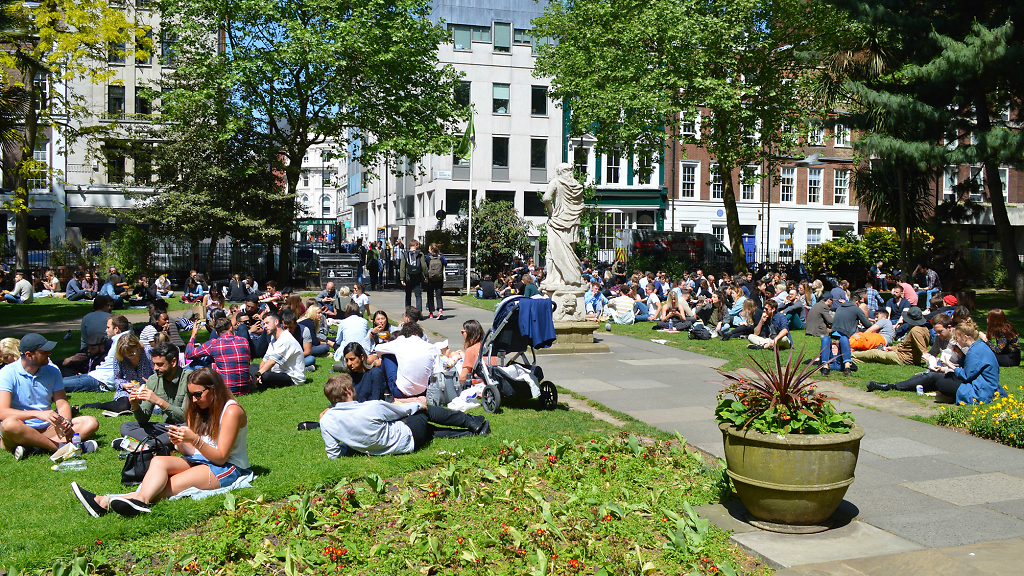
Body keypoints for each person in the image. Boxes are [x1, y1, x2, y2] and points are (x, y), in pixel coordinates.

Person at [72, 367, 250, 518]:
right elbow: (194, 452)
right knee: (158, 462)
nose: (194, 400)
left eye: (198, 395)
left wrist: (193, 439)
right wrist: (180, 443)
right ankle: (134, 500)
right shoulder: (201, 408)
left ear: (214, 389)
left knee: (171, 484)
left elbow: (220, 458)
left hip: (227, 467)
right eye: (191, 395)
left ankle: (106, 502)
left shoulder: (231, 412)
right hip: (202, 460)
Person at [318, 373, 489, 458]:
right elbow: (404, 411)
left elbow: (333, 454)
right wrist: (418, 404)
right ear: (348, 390)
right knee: (422, 411)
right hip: (407, 438)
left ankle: (470, 433)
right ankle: (472, 422)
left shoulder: (326, 420)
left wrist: (354, 445)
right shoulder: (371, 407)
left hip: (389, 447)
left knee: (428, 429)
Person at [0, 333, 99, 460]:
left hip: (48, 427)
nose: (49, 354)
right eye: (44, 351)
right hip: (21, 428)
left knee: (90, 422)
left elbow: (62, 402)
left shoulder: (52, 370)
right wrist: (37, 414)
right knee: (9, 424)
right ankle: (60, 448)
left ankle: (35, 447)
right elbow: (3, 412)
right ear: (29, 355)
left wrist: (66, 422)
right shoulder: (6, 373)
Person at [115, 342, 192, 448]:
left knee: (186, 427)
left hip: (187, 425)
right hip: (168, 428)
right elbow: (143, 419)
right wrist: (135, 404)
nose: (155, 368)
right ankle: (161, 443)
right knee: (126, 427)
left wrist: (159, 401)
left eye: (160, 364)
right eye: (154, 364)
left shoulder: (190, 379)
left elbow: (184, 417)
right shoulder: (153, 380)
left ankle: (147, 444)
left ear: (173, 362)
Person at [81, 335, 153, 415]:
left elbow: (159, 373)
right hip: (128, 391)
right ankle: (99, 405)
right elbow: (117, 379)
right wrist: (124, 384)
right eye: (126, 353)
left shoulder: (148, 353)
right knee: (123, 405)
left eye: (131, 351)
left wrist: (151, 383)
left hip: (149, 389)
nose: (129, 355)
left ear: (137, 346)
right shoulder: (119, 358)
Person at [540, 163, 585, 291]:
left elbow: (546, 198)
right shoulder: (576, 185)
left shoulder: (556, 182)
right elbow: (581, 205)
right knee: (570, 251)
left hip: (557, 221)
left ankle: (554, 279)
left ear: (559, 172)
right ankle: (570, 278)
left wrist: (551, 212)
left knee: (552, 251)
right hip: (573, 222)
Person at [63, 315, 132, 392]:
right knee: (60, 381)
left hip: (102, 381)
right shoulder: (119, 340)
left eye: (108, 327)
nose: (106, 330)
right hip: (97, 375)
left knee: (60, 384)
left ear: (116, 329)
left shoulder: (124, 342)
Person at [186, 317, 252, 395]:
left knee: (195, 363)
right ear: (231, 328)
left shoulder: (213, 344)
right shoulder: (244, 341)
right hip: (246, 387)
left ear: (216, 333)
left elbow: (188, 354)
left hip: (224, 389)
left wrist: (194, 335)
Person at [373, 322, 436, 399]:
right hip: (423, 391)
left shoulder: (400, 342)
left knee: (386, 354)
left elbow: (378, 348)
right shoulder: (431, 347)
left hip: (401, 392)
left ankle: (383, 388)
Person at [853, 306, 931, 366]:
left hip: (903, 358)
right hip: (906, 355)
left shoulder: (915, 331)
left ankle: (849, 355)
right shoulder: (924, 329)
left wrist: (930, 361)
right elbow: (908, 346)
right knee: (874, 358)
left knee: (874, 353)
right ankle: (851, 359)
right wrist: (891, 348)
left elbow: (923, 349)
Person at [820, 296, 872, 376]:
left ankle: (825, 367)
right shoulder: (857, 309)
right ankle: (847, 367)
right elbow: (867, 324)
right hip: (845, 335)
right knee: (844, 338)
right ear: (857, 302)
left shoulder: (840, 307)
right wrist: (875, 324)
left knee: (827, 338)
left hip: (834, 332)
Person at [252, 312, 306, 388]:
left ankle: (258, 382)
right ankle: (259, 381)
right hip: (278, 372)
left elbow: (272, 362)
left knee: (266, 375)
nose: (265, 326)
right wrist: (259, 373)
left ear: (276, 322)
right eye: (264, 324)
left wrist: (258, 374)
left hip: (292, 377)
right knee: (253, 366)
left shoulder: (285, 339)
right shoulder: (274, 339)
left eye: (267, 323)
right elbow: (265, 359)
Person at [400, 239, 427, 312]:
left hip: (408, 277)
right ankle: (419, 313)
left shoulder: (405, 254)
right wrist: (426, 276)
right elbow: (424, 266)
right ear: (415, 245)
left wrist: (402, 278)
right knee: (418, 296)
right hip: (418, 277)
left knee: (408, 295)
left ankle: (408, 313)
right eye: (418, 244)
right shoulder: (420, 254)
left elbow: (402, 267)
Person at [458, 320, 486, 384]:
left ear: (469, 333)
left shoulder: (471, 350)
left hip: (477, 385)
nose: (462, 335)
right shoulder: (486, 348)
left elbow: (463, 377)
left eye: (463, 332)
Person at [424, 243, 447, 319]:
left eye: (429, 249)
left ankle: (431, 313)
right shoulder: (441, 257)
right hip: (439, 278)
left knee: (430, 295)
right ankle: (440, 310)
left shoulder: (428, 258)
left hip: (430, 279)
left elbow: (425, 267)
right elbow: (445, 263)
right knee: (438, 295)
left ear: (431, 250)